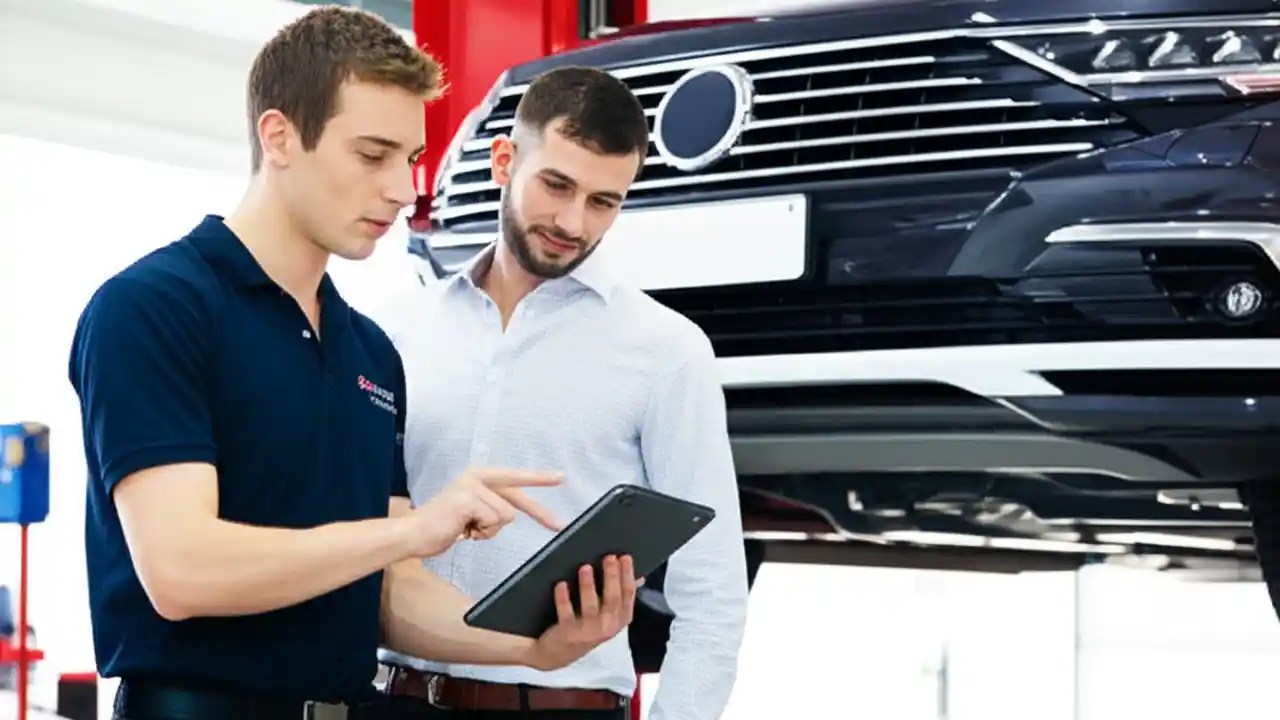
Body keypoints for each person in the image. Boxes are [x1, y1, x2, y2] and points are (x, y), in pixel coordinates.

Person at [66, 9, 639, 720]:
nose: (402, 188)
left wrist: (530, 648)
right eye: (373, 155)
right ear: (279, 136)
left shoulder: (370, 353)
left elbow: (389, 591)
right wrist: (411, 529)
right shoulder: (153, 309)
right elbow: (181, 570)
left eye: (410, 158)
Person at [371, 66, 750, 720]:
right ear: (503, 161)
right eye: (556, 185)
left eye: (604, 201)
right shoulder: (396, 331)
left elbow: (711, 595)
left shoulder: (666, 351)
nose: (573, 221)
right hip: (391, 702)